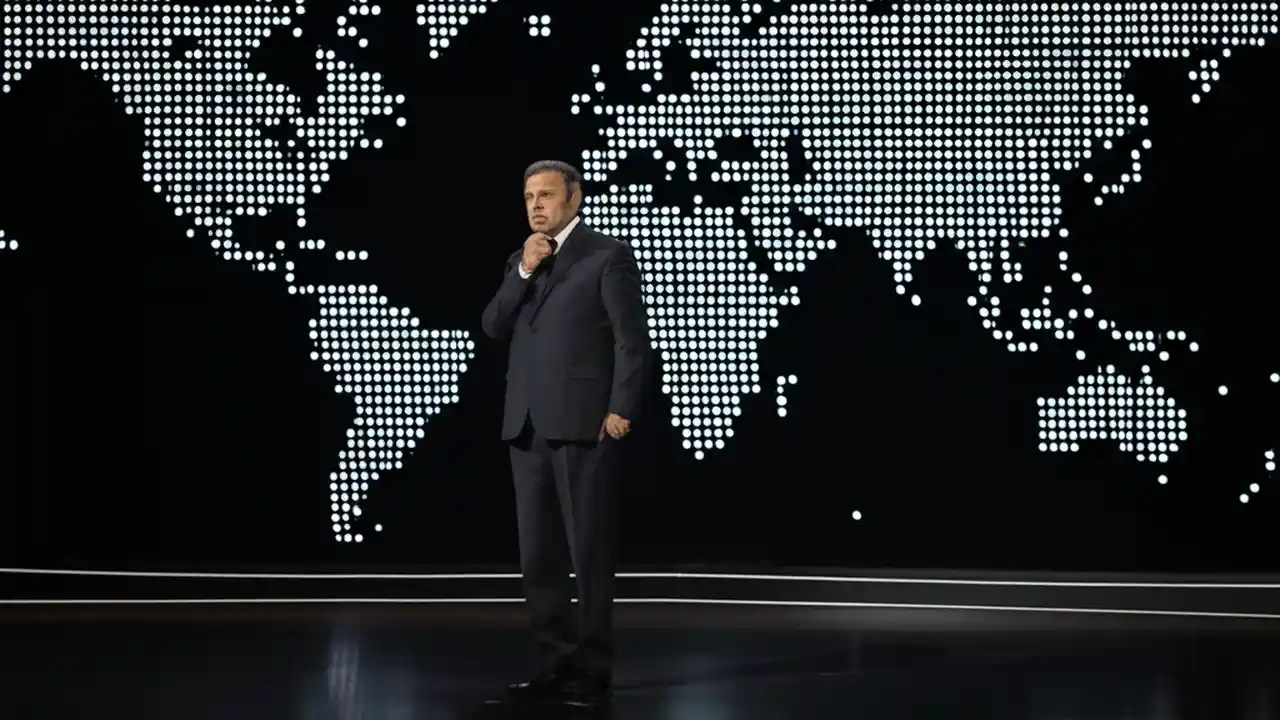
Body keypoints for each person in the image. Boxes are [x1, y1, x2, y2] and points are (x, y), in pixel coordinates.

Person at [481, 160, 650, 708]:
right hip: (526, 427)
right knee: (539, 557)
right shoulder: (521, 260)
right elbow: (493, 324)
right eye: (528, 195)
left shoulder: (606, 255)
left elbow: (631, 340)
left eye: (547, 195)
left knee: (589, 550)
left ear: (574, 198)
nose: (535, 205)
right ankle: (556, 664)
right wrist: (524, 272)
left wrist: (621, 406)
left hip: (585, 425)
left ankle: (594, 668)